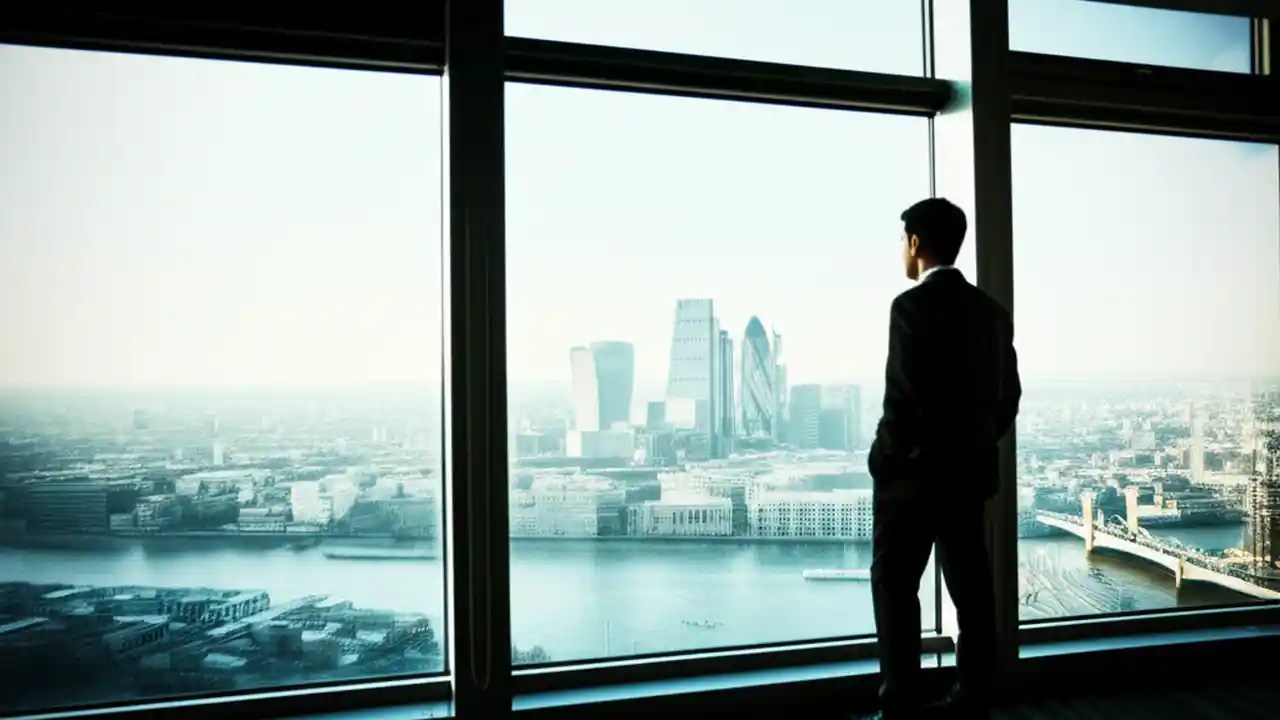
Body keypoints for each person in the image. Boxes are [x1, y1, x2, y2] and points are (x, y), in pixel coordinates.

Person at [860, 198, 1021, 719]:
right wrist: (975, 441)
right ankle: (975, 696)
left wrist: (882, 461)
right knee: (971, 593)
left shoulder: (908, 308)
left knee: (895, 588)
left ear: (914, 244)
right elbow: (1009, 397)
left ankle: (900, 702)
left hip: (910, 481)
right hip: (966, 477)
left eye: (902, 242)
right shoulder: (992, 313)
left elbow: (901, 400)